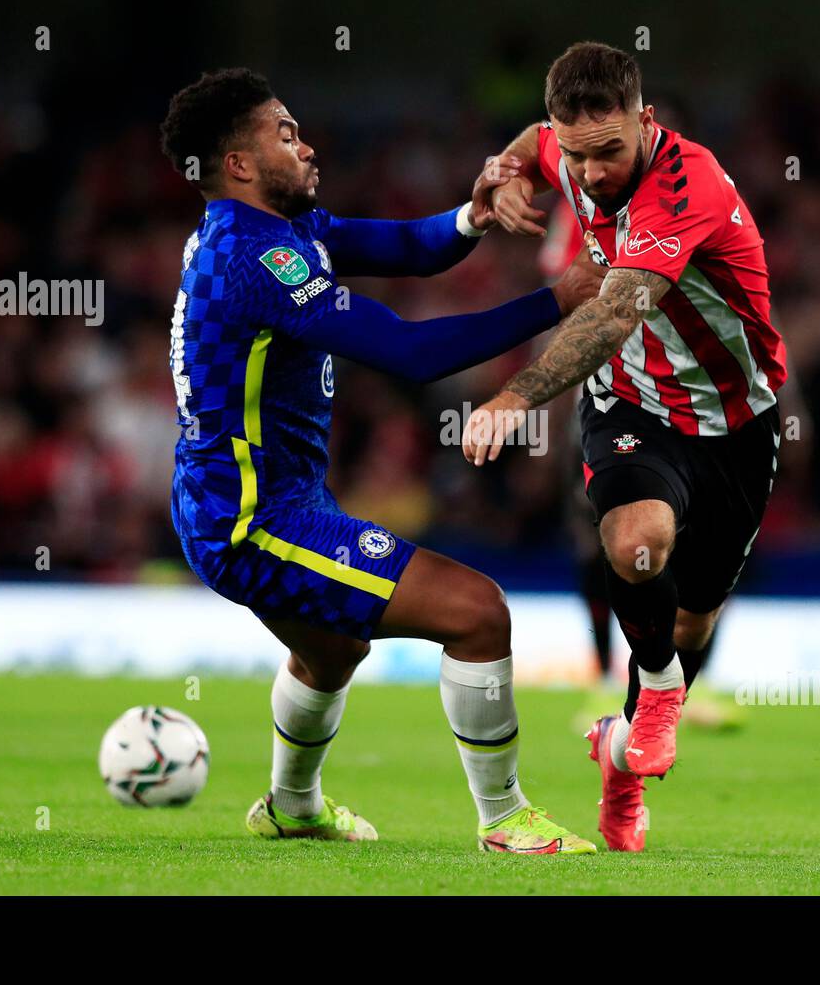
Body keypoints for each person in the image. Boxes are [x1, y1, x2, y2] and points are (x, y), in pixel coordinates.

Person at [160, 67, 602, 854]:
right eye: (285, 134)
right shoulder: (253, 258)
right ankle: (505, 820)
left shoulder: (270, 231)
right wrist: (554, 302)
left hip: (248, 500)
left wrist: (471, 216)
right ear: (237, 163)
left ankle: (292, 808)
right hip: (251, 518)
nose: (307, 145)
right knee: (476, 612)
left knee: (332, 648)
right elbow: (409, 352)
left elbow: (403, 246)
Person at [464, 42, 786, 850]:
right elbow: (529, 149)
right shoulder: (567, 152)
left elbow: (613, 312)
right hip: (631, 403)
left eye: (610, 151)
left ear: (646, 121)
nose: (595, 173)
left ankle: (620, 758)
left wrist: (514, 395)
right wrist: (503, 177)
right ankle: (659, 700)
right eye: (580, 155)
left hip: (735, 420)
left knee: (692, 626)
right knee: (636, 545)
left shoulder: (688, 186)